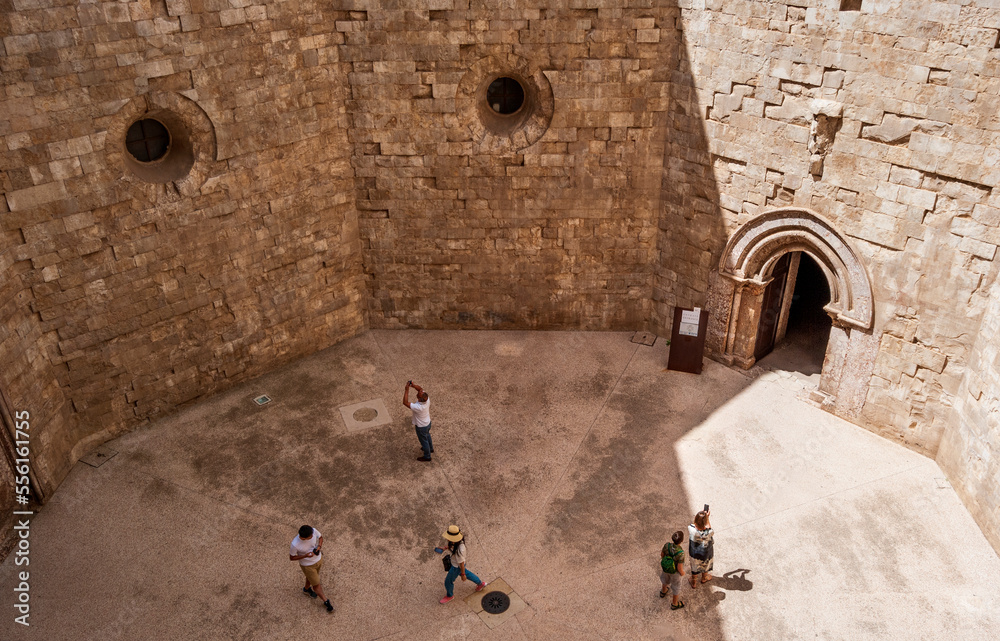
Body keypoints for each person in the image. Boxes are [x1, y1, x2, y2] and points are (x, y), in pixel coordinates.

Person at [289, 525, 333, 613]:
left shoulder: (312, 531)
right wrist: (305, 555)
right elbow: (292, 558)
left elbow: (320, 537)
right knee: (316, 585)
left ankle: (306, 589)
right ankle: (326, 601)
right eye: (310, 537)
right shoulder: (295, 544)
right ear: (303, 538)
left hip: (318, 560)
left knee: (310, 577)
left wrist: (319, 547)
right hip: (308, 566)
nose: (313, 536)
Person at [438, 525, 487, 603]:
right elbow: (452, 546)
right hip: (458, 566)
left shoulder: (460, 551)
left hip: (456, 567)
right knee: (468, 574)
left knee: (448, 582)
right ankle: (480, 583)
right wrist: (445, 548)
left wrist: (463, 574)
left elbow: (461, 564)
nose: (447, 539)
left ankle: (450, 596)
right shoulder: (458, 542)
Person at [404, 380, 433, 462]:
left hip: (421, 427)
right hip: (427, 423)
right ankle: (431, 448)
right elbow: (420, 389)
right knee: (427, 436)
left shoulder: (418, 407)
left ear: (419, 399)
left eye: (419, 394)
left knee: (424, 441)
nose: (418, 392)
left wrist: (407, 390)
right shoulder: (426, 399)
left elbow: (405, 402)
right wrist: (413, 386)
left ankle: (427, 456)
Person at [660, 530, 686, 610]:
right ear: (682, 541)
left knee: (665, 579)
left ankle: (663, 591)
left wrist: (666, 563)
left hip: (666, 569)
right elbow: (679, 567)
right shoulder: (681, 553)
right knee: (676, 586)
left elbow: (662, 555)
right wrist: (682, 573)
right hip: (675, 573)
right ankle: (674, 604)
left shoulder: (667, 545)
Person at [688, 509, 714, 588]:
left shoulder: (691, 528)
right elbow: (709, 528)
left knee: (694, 566)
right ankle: (704, 578)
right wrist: (707, 518)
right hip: (706, 552)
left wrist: (700, 517)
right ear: (705, 523)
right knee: (705, 564)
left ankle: (694, 582)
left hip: (694, 553)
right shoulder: (709, 532)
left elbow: (694, 523)